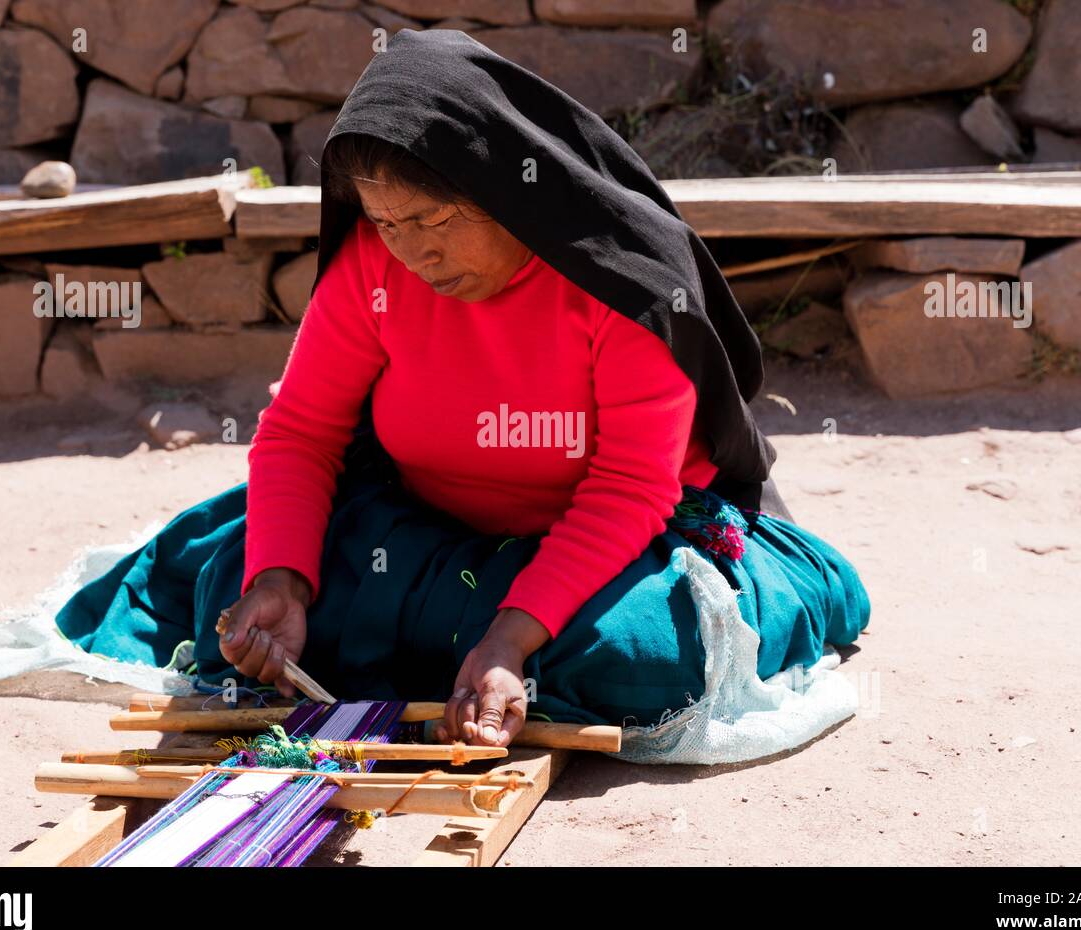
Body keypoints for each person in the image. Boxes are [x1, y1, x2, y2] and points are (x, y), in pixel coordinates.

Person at [56, 29, 870, 753]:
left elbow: (626, 489)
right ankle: (452, 644)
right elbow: (300, 432)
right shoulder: (372, 271)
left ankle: (487, 653)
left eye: (437, 222)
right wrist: (283, 581)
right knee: (239, 593)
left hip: (618, 542)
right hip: (428, 527)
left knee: (640, 655)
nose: (413, 253)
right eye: (386, 223)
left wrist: (511, 640)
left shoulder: (624, 291)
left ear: (506, 191)